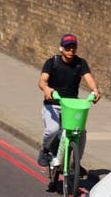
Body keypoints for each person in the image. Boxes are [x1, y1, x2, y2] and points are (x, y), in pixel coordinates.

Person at [38, 32, 101, 168]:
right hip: (53, 104)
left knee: (81, 133)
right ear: (61, 48)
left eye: (73, 47)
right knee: (53, 130)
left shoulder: (80, 63)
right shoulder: (52, 62)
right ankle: (44, 150)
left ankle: (76, 163)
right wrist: (46, 89)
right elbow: (42, 81)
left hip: (71, 106)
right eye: (67, 47)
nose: (71, 50)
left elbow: (89, 78)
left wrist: (95, 90)